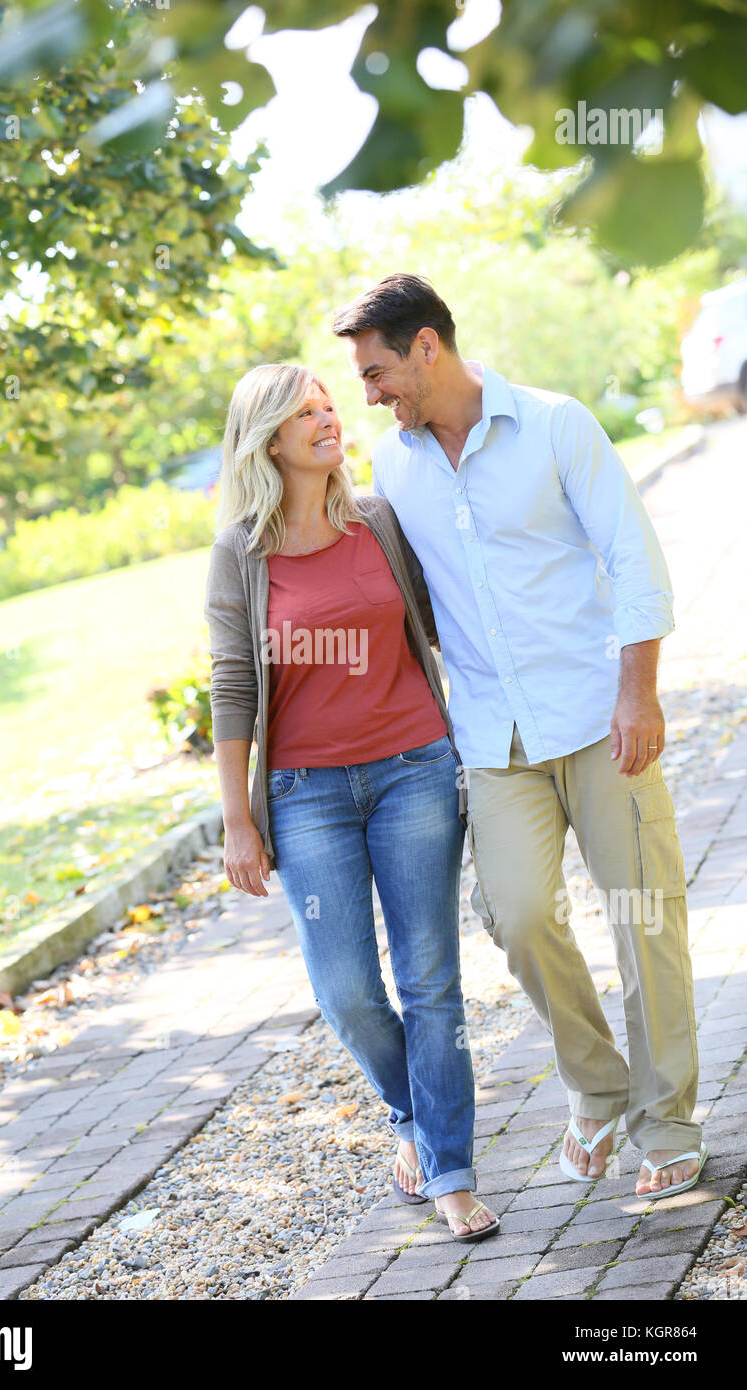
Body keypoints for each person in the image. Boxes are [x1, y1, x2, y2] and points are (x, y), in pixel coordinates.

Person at [333, 274, 706, 1201]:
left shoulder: (554, 424)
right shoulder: (397, 465)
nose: (370, 394)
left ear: (428, 347)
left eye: (378, 372)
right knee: (517, 913)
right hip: (492, 737)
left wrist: (640, 692)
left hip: (597, 713)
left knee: (643, 917)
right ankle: (598, 1085)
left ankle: (667, 1122)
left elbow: (632, 556)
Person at [204, 362, 500, 1241]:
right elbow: (230, 686)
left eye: (330, 405)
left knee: (430, 982)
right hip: (306, 793)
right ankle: (415, 1117)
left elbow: (447, 622)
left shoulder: (377, 520)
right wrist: (237, 818)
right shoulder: (240, 555)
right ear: (267, 439)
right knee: (345, 991)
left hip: (414, 768)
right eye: (306, 413)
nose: (329, 421)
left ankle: (448, 1168)